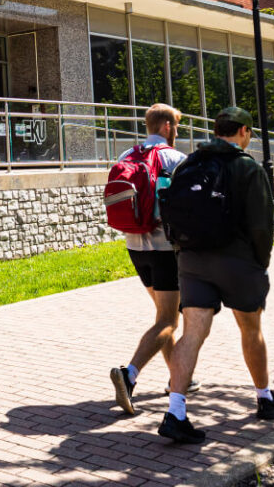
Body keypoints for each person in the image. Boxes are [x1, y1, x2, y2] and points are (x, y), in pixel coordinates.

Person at [158, 106, 274, 445]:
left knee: (193, 332)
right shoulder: (246, 167)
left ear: (217, 131)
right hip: (237, 261)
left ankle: (175, 411)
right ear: (243, 131)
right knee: (250, 328)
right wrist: (260, 263)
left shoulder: (190, 163)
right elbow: (262, 226)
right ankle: (264, 398)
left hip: (191, 260)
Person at [109, 103, 186, 415]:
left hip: (134, 247)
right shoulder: (177, 159)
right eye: (177, 126)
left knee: (162, 315)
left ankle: (177, 377)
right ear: (167, 127)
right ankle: (129, 375)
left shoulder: (126, 156)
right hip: (166, 249)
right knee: (170, 320)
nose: (177, 131)